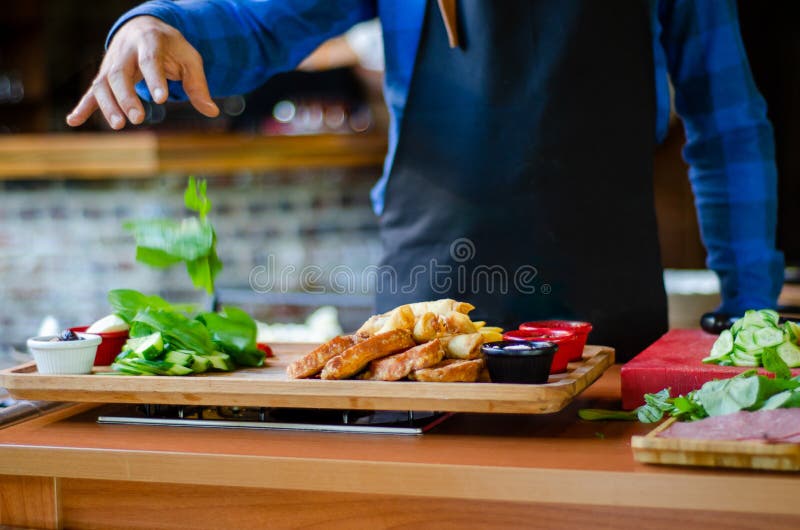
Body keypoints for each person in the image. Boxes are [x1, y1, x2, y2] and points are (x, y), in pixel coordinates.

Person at [67, 0, 784, 361]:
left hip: (606, 337)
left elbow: (727, 124)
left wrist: (750, 308)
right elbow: (258, 23)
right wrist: (155, 21)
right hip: (419, 337)